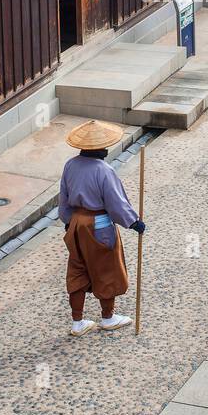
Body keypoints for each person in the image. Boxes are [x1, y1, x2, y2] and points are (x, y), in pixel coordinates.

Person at [58, 120, 144, 337]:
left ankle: (77, 321)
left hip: (76, 223)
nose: (106, 149)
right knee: (106, 268)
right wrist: (133, 222)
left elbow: (64, 198)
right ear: (97, 148)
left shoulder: (70, 165)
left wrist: (69, 222)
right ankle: (108, 317)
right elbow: (115, 202)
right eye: (104, 146)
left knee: (77, 269)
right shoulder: (104, 170)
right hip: (99, 223)